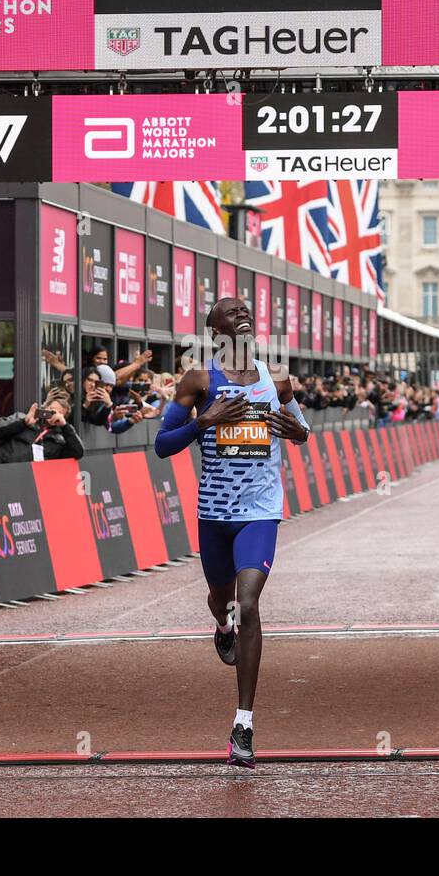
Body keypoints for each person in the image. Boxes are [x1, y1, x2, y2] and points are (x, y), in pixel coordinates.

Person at [153, 297, 310, 769]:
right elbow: (163, 445)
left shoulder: (276, 379)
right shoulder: (200, 380)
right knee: (222, 598)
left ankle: (243, 724)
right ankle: (222, 628)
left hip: (260, 512)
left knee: (248, 601)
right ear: (214, 330)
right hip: (214, 514)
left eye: (245, 309)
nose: (242, 313)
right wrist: (204, 422)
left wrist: (294, 430)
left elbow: (301, 430)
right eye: (231, 312)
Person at [0, 396, 84, 463]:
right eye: (51, 409)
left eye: (58, 413)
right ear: (45, 407)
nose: (53, 414)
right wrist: (23, 423)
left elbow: (78, 453)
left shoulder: (59, 439)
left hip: (30, 478)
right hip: (3, 468)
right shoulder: (23, 417)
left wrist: (65, 426)